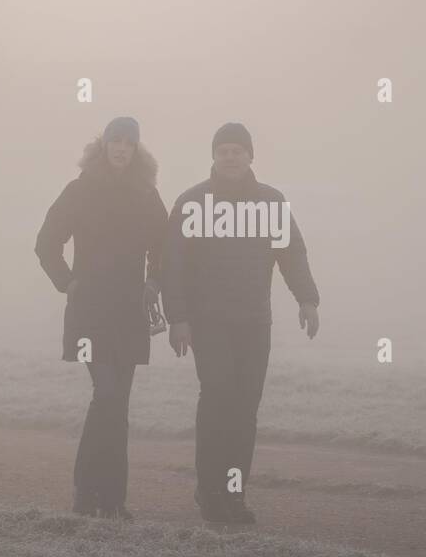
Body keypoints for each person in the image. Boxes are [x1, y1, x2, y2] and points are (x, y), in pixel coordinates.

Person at [163, 122, 320, 524]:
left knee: (245, 408)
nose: (230, 157)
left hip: (254, 323)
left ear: (250, 156)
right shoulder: (192, 202)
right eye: (223, 151)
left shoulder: (271, 203)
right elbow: (174, 264)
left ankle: (234, 495)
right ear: (214, 157)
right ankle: (209, 491)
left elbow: (292, 254)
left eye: (237, 150)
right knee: (217, 398)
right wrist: (178, 318)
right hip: (209, 323)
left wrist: (307, 299)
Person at [35, 117, 168, 519]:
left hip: (129, 312)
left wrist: (153, 282)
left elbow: (163, 246)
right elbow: (46, 244)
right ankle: (86, 492)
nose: (121, 148)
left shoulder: (147, 194)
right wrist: (68, 283)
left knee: (117, 403)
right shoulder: (79, 190)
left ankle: (110, 500)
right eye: (115, 141)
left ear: (136, 148)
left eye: (129, 142)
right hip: (89, 312)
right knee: (107, 394)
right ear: (103, 145)